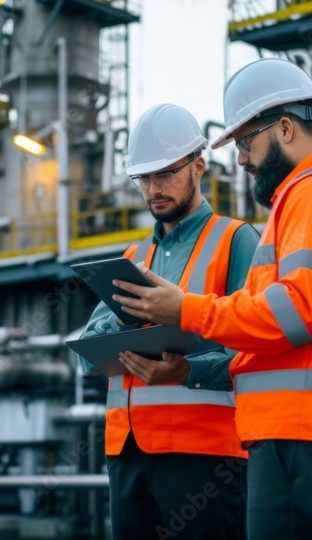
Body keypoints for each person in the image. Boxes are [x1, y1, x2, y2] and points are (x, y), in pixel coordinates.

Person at [111, 59, 312, 539]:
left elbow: (296, 312)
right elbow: (280, 321)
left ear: (284, 128)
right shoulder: (307, 199)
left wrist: (184, 309)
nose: (242, 159)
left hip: (311, 436)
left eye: (246, 142)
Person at [78, 103, 259, 540]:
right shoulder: (132, 259)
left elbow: (255, 349)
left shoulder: (237, 240)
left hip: (205, 455)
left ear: (199, 167)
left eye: (165, 174)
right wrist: (117, 335)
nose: (153, 188)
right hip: (128, 452)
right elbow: (87, 356)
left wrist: (189, 370)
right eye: (143, 177)